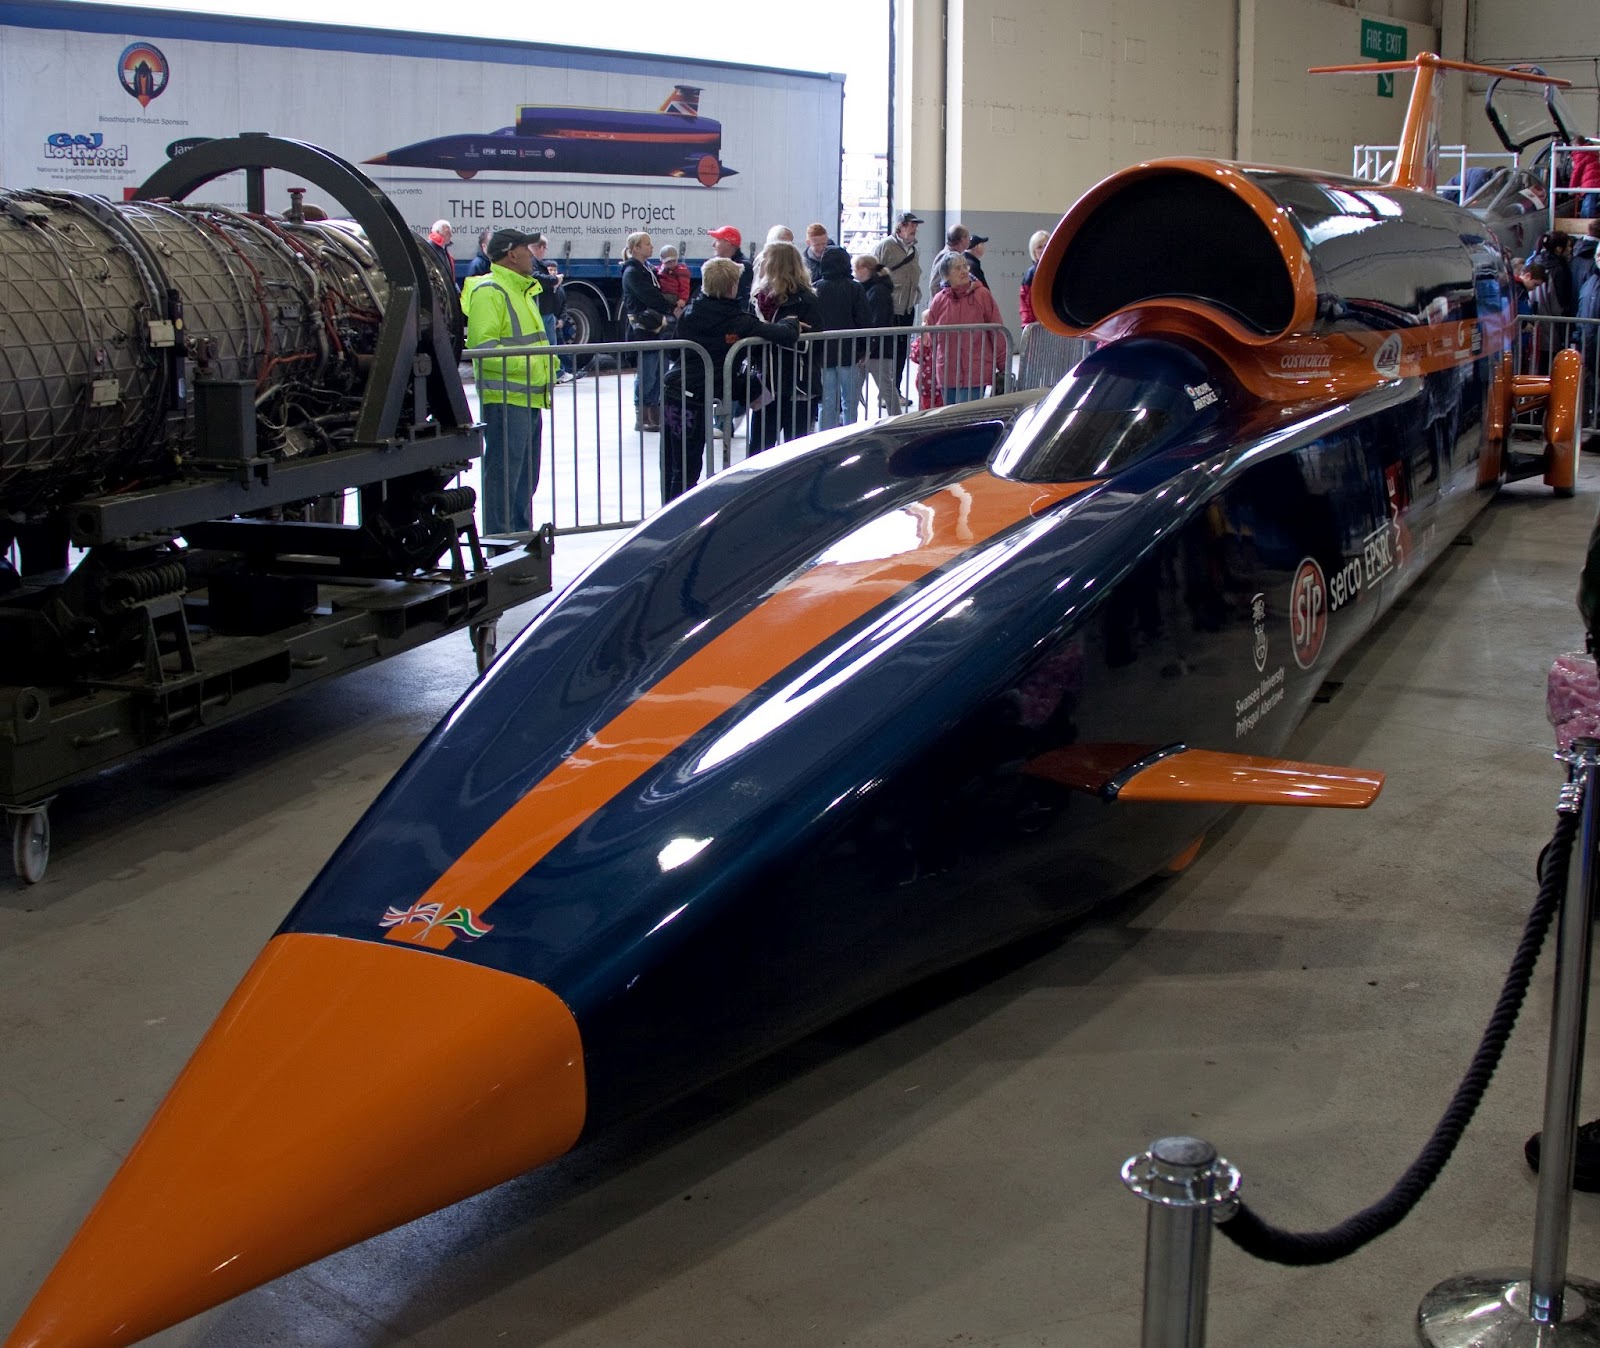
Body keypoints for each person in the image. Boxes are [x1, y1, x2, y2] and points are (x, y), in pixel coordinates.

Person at [659, 257, 800, 502]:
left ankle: (666, 512)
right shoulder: (738, 320)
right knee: (689, 465)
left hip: (674, 389)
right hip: (697, 394)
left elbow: (674, 350)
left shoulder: (690, 312)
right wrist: (790, 322)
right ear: (733, 287)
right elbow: (783, 334)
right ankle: (678, 523)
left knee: (672, 462)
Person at [461, 228, 557, 535]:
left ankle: (519, 537)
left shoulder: (521, 289)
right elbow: (484, 348)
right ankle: (501, 541)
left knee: (525, 478)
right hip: (507, 400)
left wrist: (547, 363)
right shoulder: (491, 291)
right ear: (511, 254)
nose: (531, 253)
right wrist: (532, 365)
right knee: (505, 477)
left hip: (528, 397)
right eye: (526, 249)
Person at [750, 241, 820, 449]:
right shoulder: (758, 298)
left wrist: (770, 332)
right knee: (759, 448)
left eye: (765, 259)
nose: (760, 263)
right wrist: (784, 330)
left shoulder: (806, 299)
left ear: (775, 264)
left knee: (796, 450)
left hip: (797, 384)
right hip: (765, 384)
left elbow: (813, 342)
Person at [921, 252, 1007, 403]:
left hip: (975, 371)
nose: (964, 271)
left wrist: (1003, 365)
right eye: (957, 268)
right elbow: (933, 337)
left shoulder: (982, 295)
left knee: (968, 419)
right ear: (946, 275)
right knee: (951, 418)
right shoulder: (939, 300)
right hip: (947, 372)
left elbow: (997, 331)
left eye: (964, 266)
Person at [621, 230, 683, 431]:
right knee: (647, 373)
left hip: (656, 328)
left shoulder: (647, 270)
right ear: (636, 248)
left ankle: (655, 412)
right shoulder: (632, 273)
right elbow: (650, 296)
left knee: (659, 372)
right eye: (647, 244)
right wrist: (669, 306)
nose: (651, 247)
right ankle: (643, 415)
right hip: (644, 329)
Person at [811, 245, 871, 430]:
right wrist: (864, 349)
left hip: (824, 354)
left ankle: (824, 439)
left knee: (827, 401)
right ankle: (849, 435)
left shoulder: (815, 288)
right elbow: (864, 319)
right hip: (849, 352)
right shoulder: (855, 288)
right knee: (849, 402)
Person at [873, 210, 924, 396]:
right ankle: (885, 393)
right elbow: (873, 272)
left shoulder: (914, 250)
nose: (915, 228)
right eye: (911, 225)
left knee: (901, 352)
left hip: (908, 307)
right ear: (900, 226)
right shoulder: (885, 246)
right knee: (888, 352)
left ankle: (895, 390)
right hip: (890, 308)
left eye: (916, 225)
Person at [855, 253, 905, 415]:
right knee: (882, 387)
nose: (854, 273)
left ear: (865, 269)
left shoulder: (877, 292)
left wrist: (868, 349)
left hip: (877, 351)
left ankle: (897, 420)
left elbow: (878, 322)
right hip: (874, 349)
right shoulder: (873, 290)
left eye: (856, 269)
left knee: (886, 388)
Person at [529, 233, 573, 381]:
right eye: (545, 248)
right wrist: (555, 279)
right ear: (541, 248)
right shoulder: (533, 262)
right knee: (549, 344)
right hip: (543, 310)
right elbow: (536, 278)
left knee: (549, 343)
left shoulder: (534, 262)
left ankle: (555, 372)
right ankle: (556, 373)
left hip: (546, 310)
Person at [706, 225, 753, 307]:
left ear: (728, 244)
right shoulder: (713, 263)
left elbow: (740, 298)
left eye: (717, 240)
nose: (713, 245)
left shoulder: (743, 266)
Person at [1019, 229, 1050, 326]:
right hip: (1038, 326)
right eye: (1039, 247)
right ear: (1034, 251)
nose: (1043, 249)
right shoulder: (1031, 274)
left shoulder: (1059, 271)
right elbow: (1025, 302)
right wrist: (1028, 325)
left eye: (1046, 245)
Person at [930, 224, 971, 293]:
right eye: (968, 237)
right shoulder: (944, 257)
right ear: (962, 240)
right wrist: (942, 301)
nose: (969, 240)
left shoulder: (957, 256)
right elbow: (934, 286)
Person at [655, 244, 693, 315]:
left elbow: (684, 287)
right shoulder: (660, 269)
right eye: (668, 262)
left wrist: (683, 299)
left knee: (655, 298)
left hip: (673, 295)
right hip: (663, 292)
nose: (672, 264)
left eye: (674, 261)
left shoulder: (681, 271)